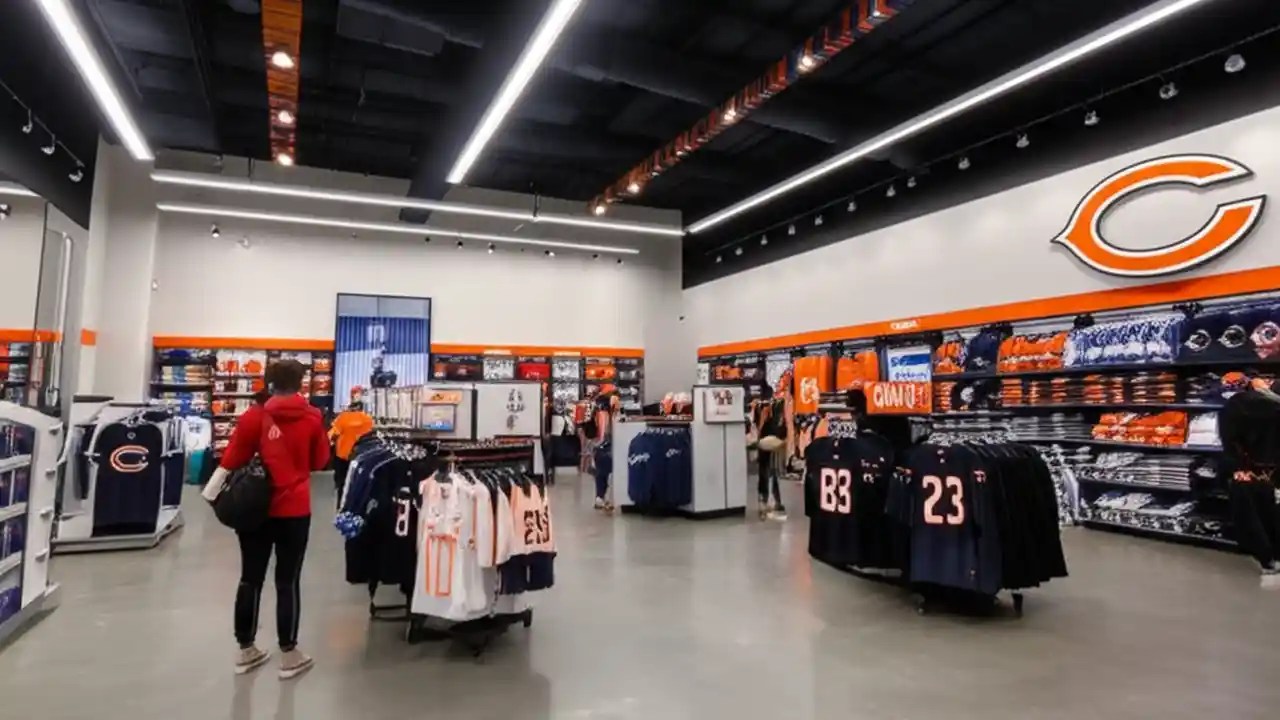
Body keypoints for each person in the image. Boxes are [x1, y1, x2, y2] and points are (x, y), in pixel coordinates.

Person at [209, 360, 329, 679]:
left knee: (250, 577)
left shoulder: (253, 417)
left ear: (269, 383)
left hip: (255, 509)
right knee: (288, 581)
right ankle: (288, 655)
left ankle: (245, 650)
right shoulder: (313, 417)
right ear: (301, 384)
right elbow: (320, 460)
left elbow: (232, 458)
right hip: (295, 509)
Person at [752, 382, 788, 521]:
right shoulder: (762, 409)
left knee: (771, 473)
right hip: (767, 443)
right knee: (767, 472)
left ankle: (771, 501)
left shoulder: (780, 406)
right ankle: (766, 500)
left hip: (772, 443)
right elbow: (758, 429)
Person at [328, 400, 373, 502]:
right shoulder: (368, 419)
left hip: (343, 456)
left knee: (343, 484)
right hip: (362, 457)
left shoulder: (343, 418)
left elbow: (332, 435)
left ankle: (341, 505)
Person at [591, 391, 620, 511]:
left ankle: (600, 497)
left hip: (599, 447)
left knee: (601, 474)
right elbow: (605, 434)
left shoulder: (597, 414)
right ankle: (604, 497)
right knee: (606, 473)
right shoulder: (606, 416)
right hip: (605, 447)